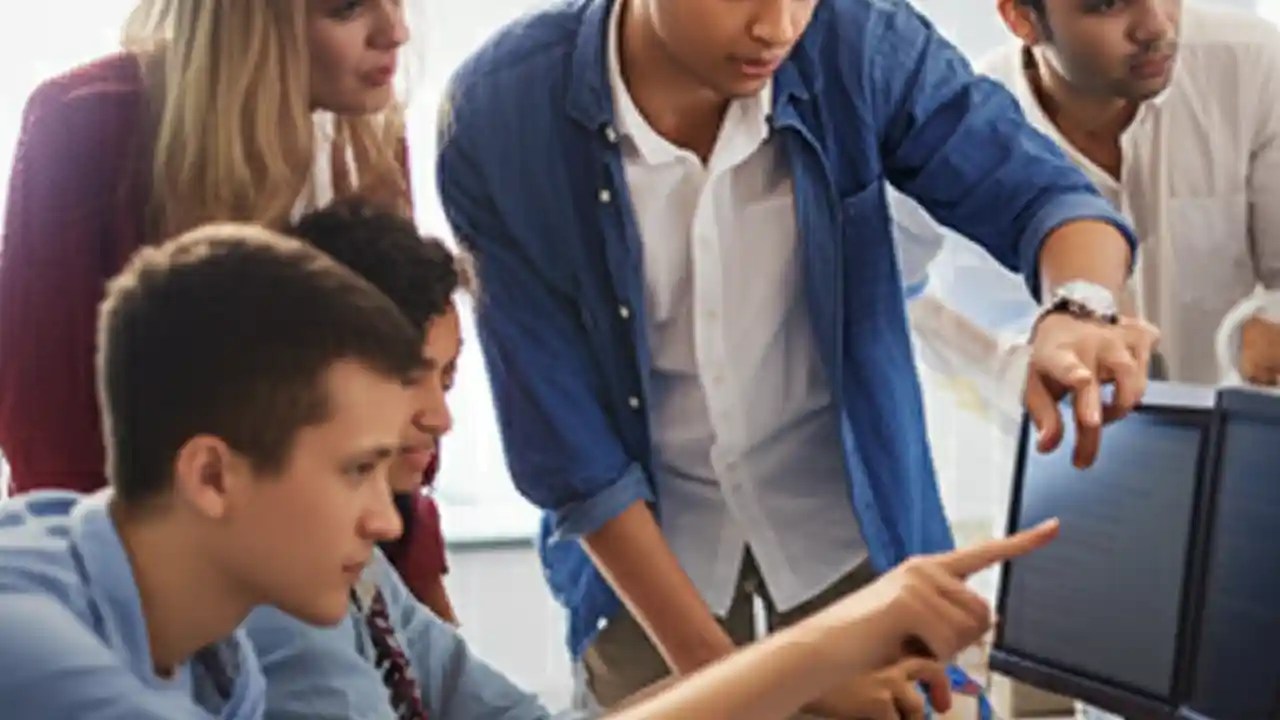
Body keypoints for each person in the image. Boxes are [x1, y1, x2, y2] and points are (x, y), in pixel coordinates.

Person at [436, 0, 1158, 714]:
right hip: (644, 574)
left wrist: (1079, 310)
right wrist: (754, 689)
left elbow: (1043, 195)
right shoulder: (501, 114)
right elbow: (569, 456)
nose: (778, 26)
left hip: (856, 543)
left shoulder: (859, 43)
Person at [242, 199, 1062, 720]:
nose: (438, 413)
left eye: (448, 378)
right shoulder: (279, 601)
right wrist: (826, 651)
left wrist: (809, 694)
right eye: (406, 377)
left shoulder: (365, 580)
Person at [0, 0, 458, 621]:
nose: (396, 31)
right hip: (133, 604)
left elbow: (392, 416)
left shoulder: (367, 146)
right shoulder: (85, 126)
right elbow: (50, 446)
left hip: (341, 591)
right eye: (346, 10)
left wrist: (422, 599)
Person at [0, 224, 427, 718]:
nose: (387, 521)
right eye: (357, 470)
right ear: (211, 478)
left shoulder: (221, 661)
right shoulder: (22, 634)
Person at [900, 0, 1280, 395]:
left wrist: (1256, 333)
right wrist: (1007, 369)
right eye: (1106, 5)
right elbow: (889, 291)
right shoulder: (953, 132)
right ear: (1021, 18)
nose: (1156, 28)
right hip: (1039, 440)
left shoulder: (1252, 65)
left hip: (1234, 428)